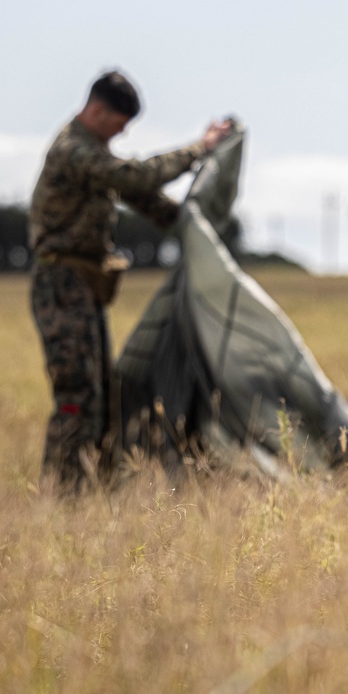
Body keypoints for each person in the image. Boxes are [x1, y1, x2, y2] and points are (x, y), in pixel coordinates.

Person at [29, 70, 231, 491]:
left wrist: (187, 226)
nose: (119, 135)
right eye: (118, 125)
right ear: (97, 110)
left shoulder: (94, 153)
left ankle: (95, 488)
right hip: (61, 284)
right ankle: (64, 495)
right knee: (77, 395)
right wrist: (200, 148)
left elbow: (142, 196)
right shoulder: (73, 151)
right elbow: (134, 178)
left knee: (103, 394)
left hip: (83, 286)